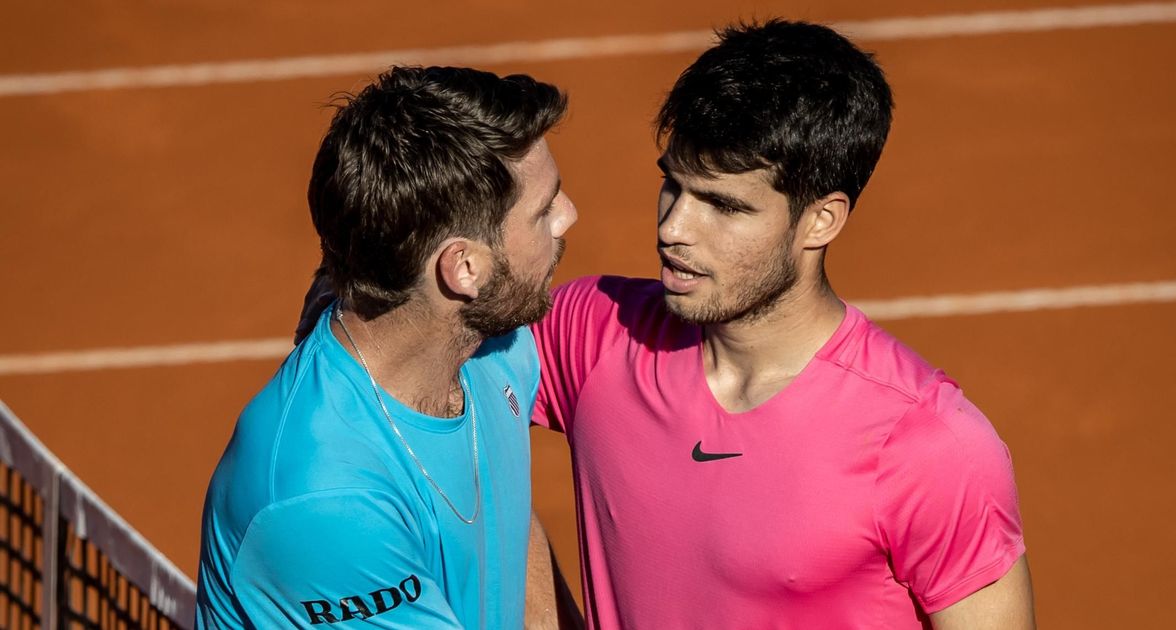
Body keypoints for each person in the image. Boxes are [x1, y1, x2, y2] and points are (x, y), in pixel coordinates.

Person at [531, 19, 1035, 629]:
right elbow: (432, 399)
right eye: (674, 185)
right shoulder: (590, 333)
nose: (674, 229)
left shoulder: (925, 443)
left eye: (724, 205)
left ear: (821, 221)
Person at [196, 65, 577, 628]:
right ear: (464, 267)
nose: (569, 216)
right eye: (543, 209)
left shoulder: (495, 343)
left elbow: (506, 515)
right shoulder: (324, 501)